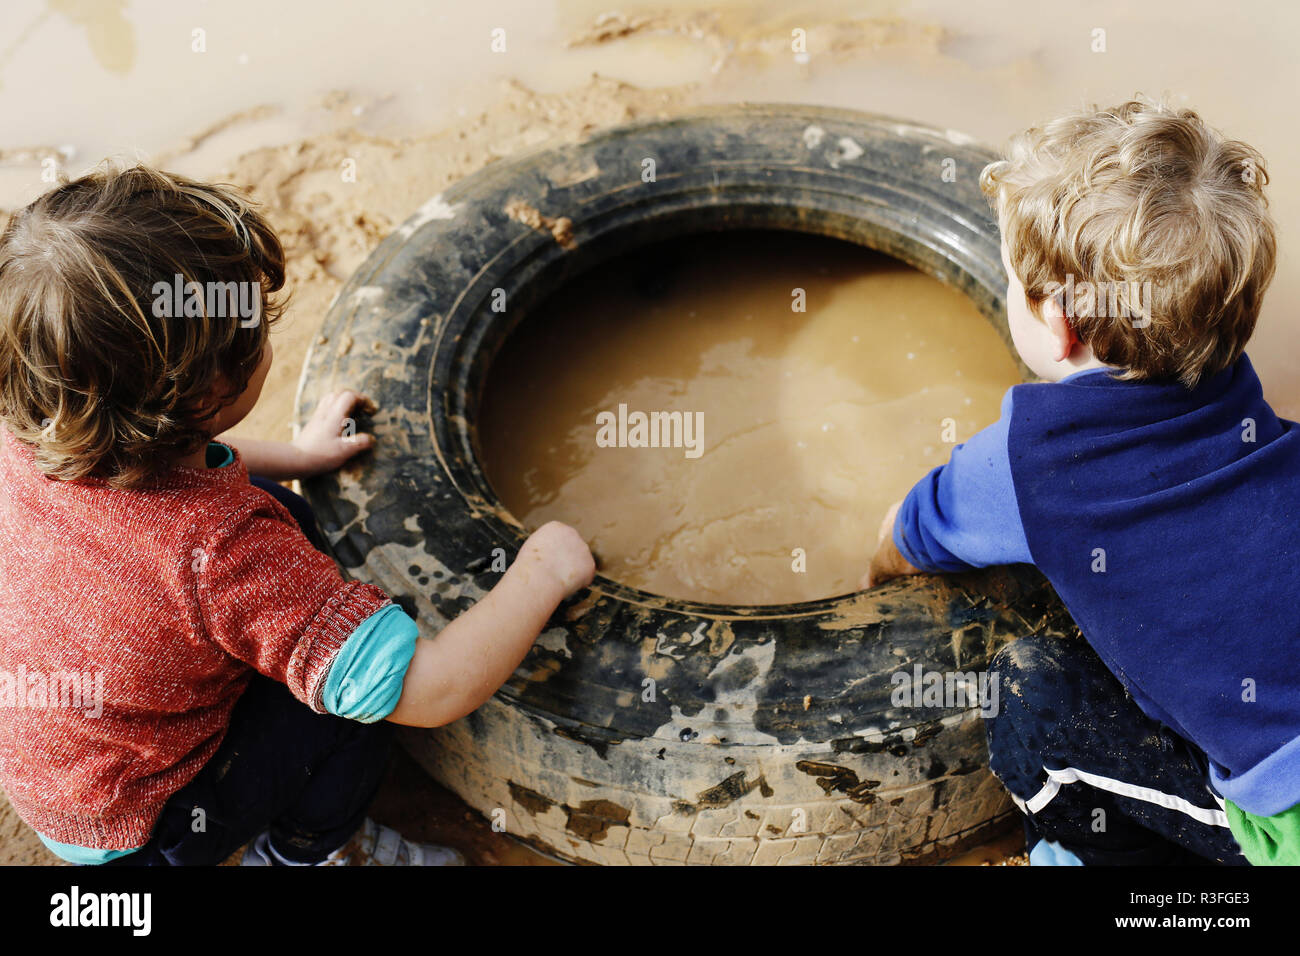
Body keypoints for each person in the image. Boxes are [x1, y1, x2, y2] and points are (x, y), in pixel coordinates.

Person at [0, 163, 594, 866]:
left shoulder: (44, 425)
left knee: (276, 513)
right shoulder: (222, 553)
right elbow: (430, 691)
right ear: (218, 386)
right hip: (150, 824)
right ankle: (309, 850)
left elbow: (173, 460)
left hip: (62, 767)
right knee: (347, 707)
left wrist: (300, 455)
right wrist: (542, 571)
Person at [864, 98, 1294, 865]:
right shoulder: (1236, 383)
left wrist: (871, 576)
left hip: (1284, 825)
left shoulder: (1030, 461)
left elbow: (909, 534)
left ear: (1058, 324)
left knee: (1035, 703)